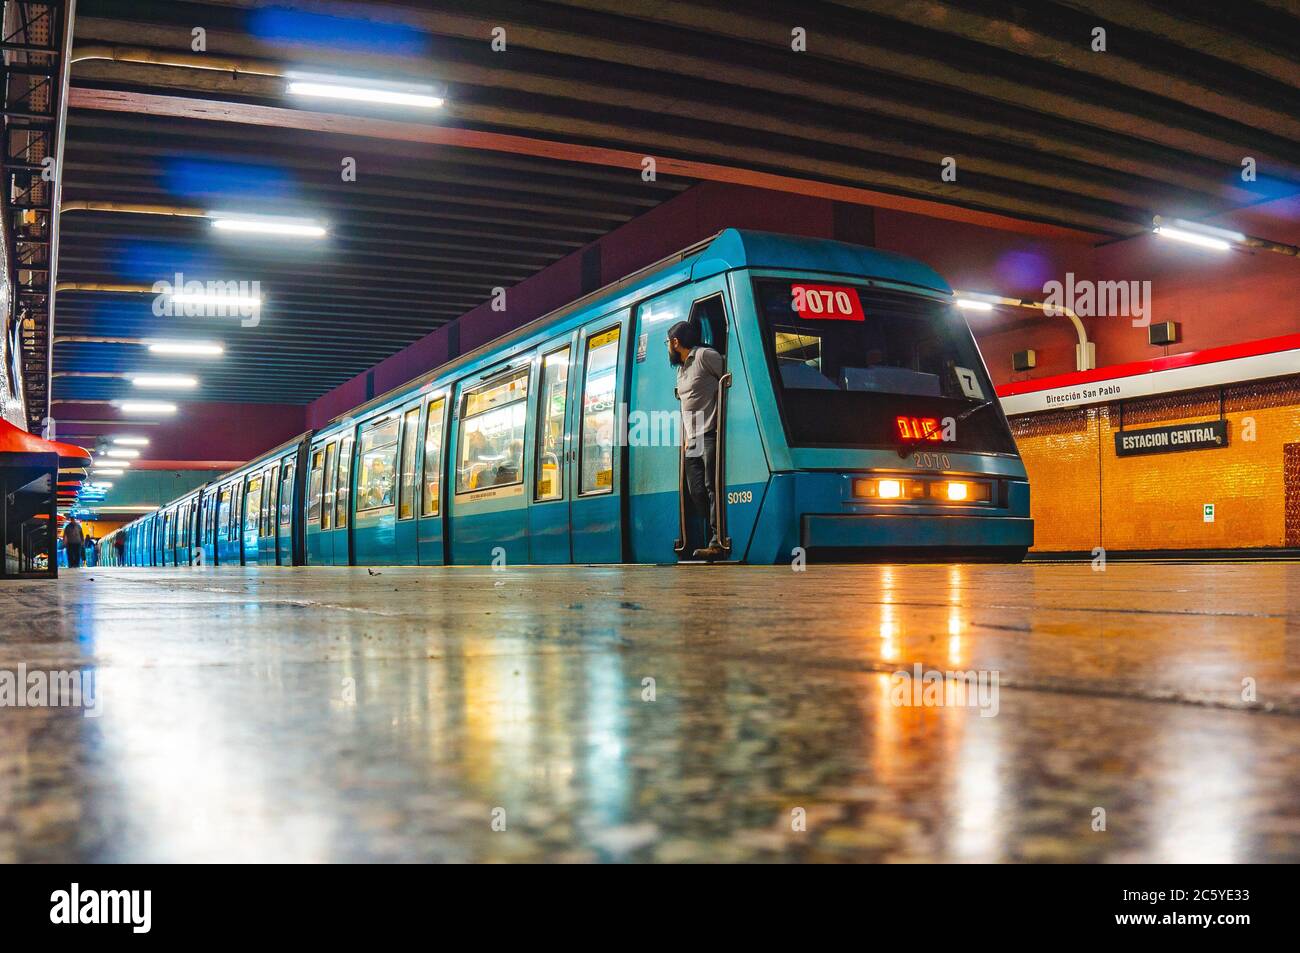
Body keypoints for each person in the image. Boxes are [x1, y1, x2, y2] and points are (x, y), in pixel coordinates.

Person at [667, 319, 725, 559]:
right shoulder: (681, 370)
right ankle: (713, 534)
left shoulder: (705, 356)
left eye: (668, 344)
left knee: (712, 487)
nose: (668, 349)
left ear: (676, 342)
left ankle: (717, 542)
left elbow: (729, 380)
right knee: (696, 491)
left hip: (710, 433)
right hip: (692, 440)